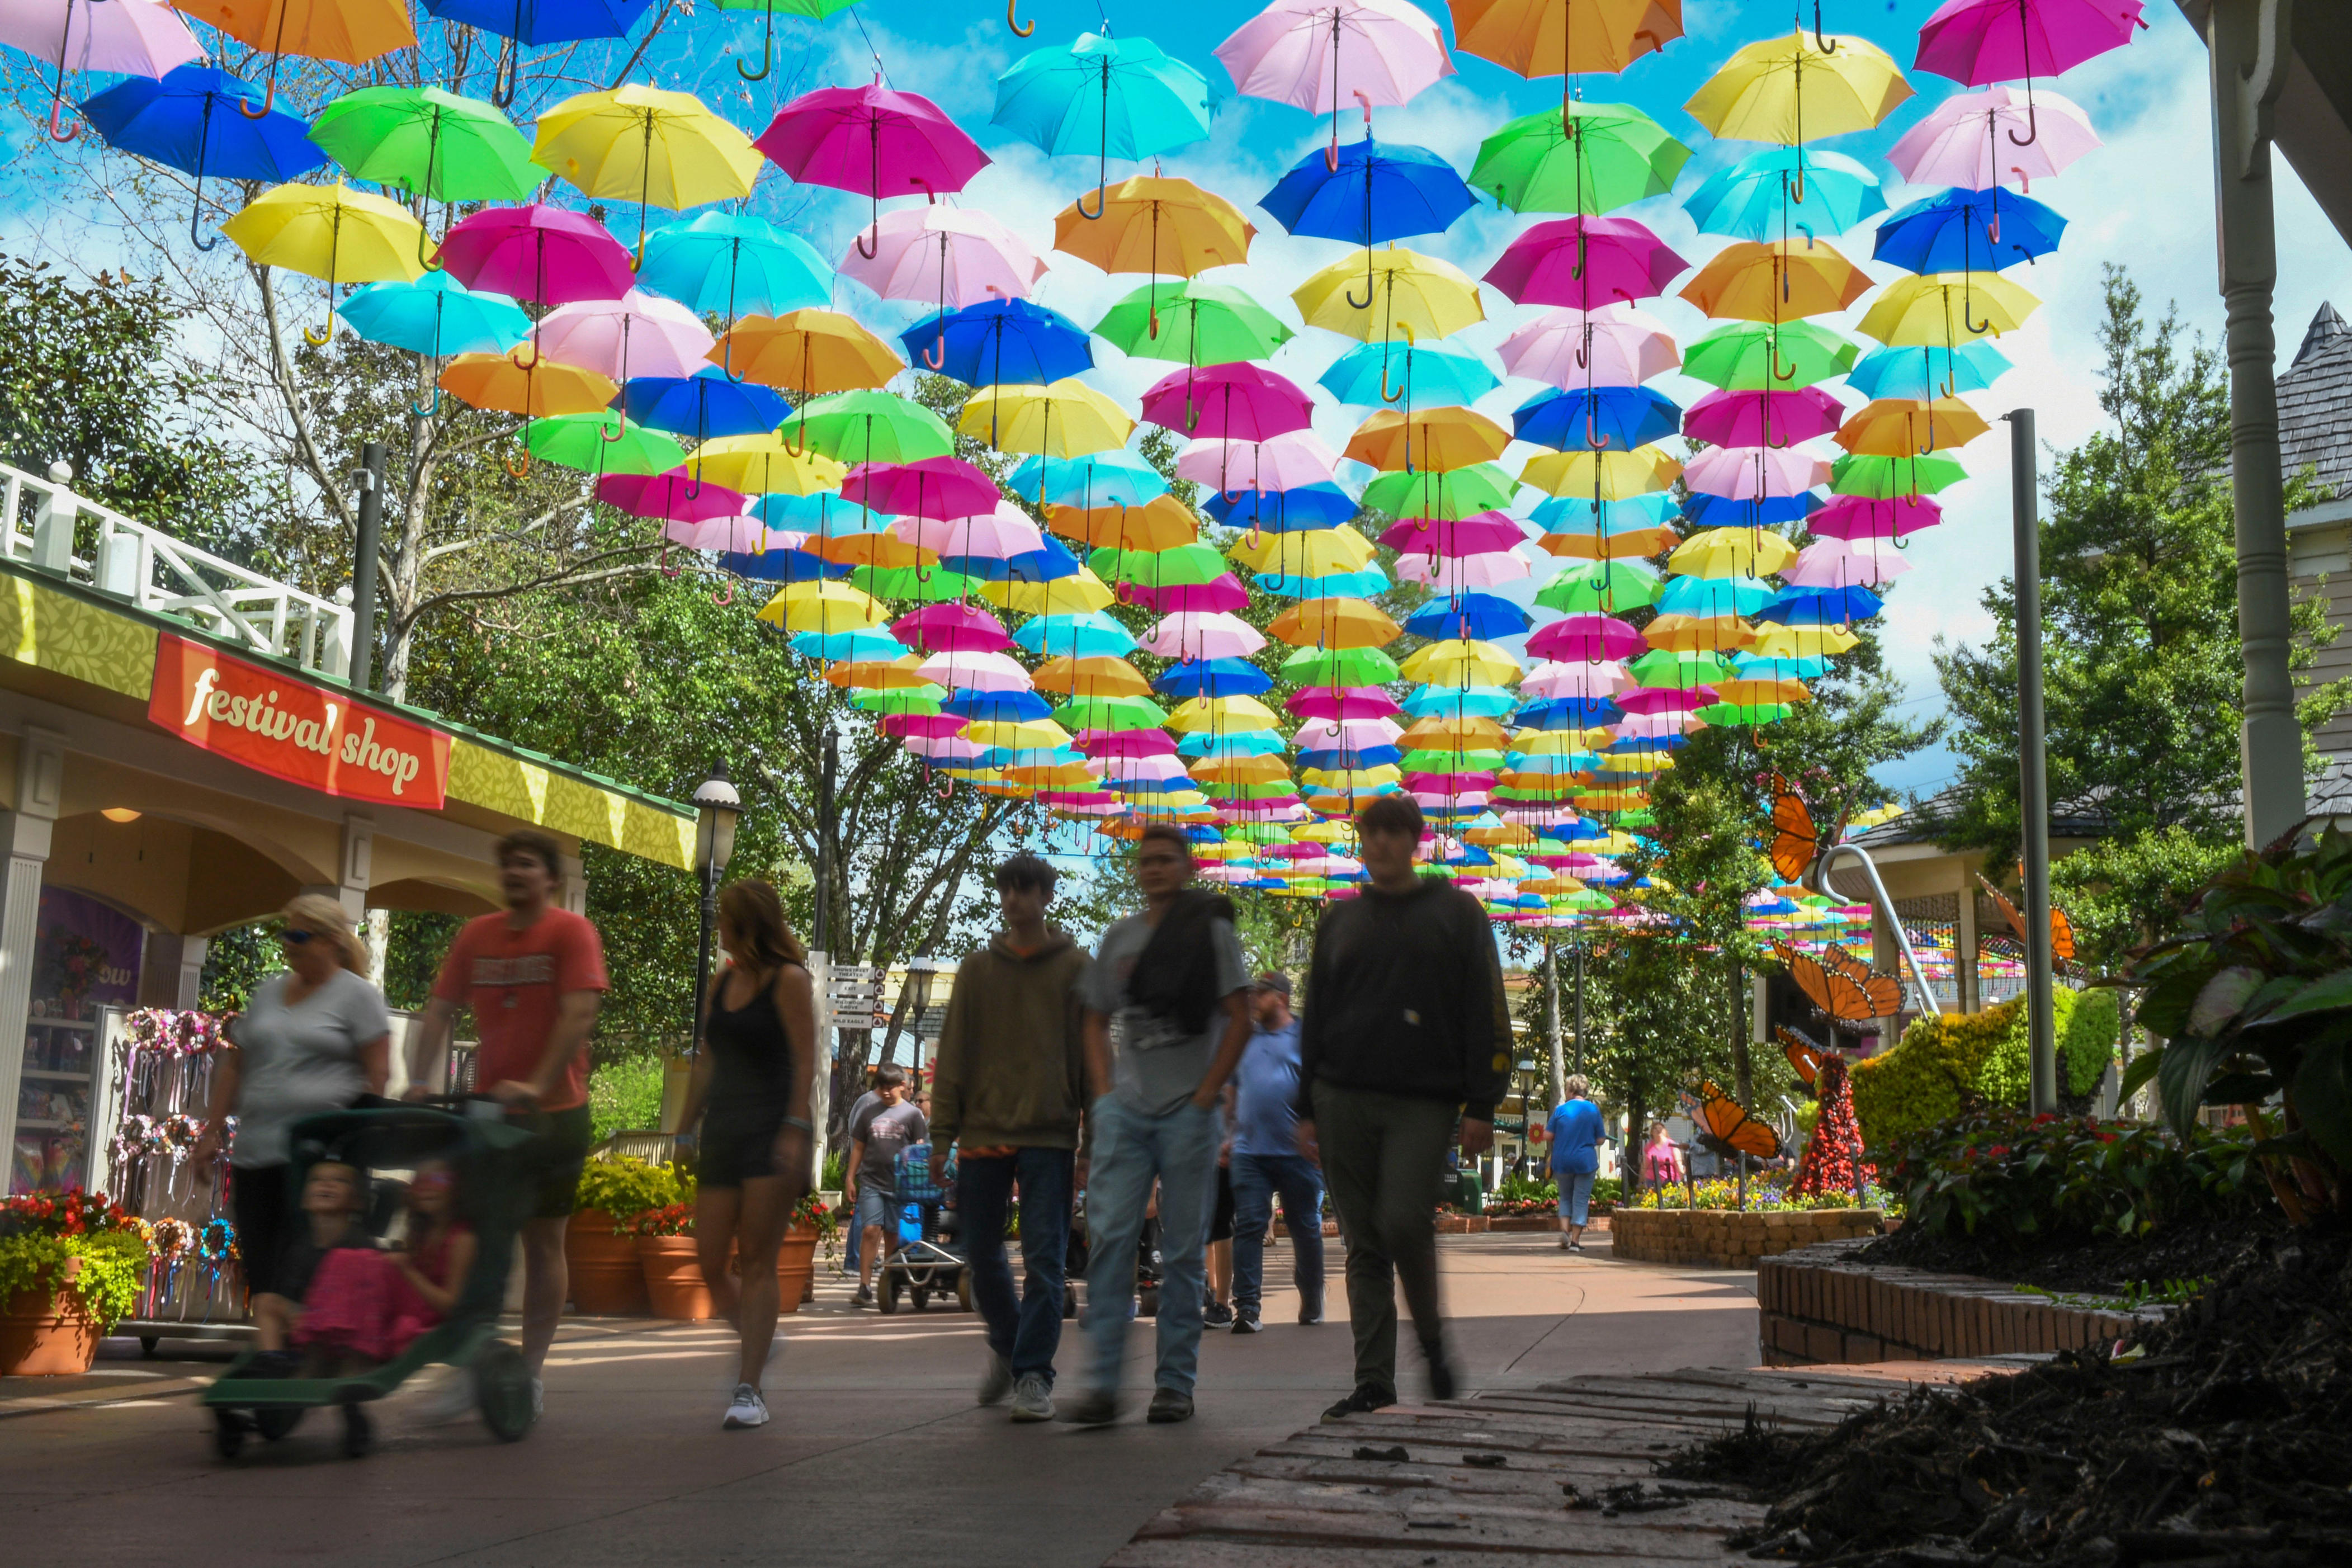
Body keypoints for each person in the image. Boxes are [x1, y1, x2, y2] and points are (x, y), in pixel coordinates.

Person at [1296, 794, 1510, 1423]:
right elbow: (1317, 1016)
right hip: (1341, 1095)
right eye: (1370, 832)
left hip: (1424, 1098)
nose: (1380, 843)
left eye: (1393, 833)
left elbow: (1485, 1008)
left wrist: (1483, 1102)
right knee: (1363, 1241)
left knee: (1402, 1220)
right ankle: (1374, 1380)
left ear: (1416, 840)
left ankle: (1434, 1343)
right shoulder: (1339, 921)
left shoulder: (1458, 912)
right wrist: (1304, 1104)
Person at [409, 829, 608, 1414]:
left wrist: (537, 1083)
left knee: (544, 1241)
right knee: (478, 1236)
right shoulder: (478, 934)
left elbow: (579, 1015)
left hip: (556, 1116)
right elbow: (439, 1008)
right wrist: (419, 1079)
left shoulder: (573, 932)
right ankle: (471, 1365)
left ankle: (530, 1371)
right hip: (490, 1116)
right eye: (508, 865)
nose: (516, 874)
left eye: (527, 864)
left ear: (549, 878)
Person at [1064, 823, 1252, 1428]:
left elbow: (1240, 1017)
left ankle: (1174, 1382)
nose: (1154, 868)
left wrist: (1206, 1093)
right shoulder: (1119, 935)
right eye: (1146, 860)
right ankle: (1101, 1383)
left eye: (1166, 859)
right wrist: (1104, 1095)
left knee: (1181, 1249)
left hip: (1187, 1114)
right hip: (1129, 1109)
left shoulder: (1211, 935)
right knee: (1112, 1238)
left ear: (1187, 866)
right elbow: (1093, 1019)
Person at [928, 852, 1089, 1423]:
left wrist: (1092, 1138)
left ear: (1046, 896)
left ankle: (1032, 1374)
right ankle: (1010, 1341)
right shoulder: (977, 969)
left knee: (1046, 1259)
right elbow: (952, 1055)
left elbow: (1091, 1055)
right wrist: (941, 1134)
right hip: (984, 1131)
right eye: (1007, 889)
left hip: (1049, 1132)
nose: (1013, 899)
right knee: (980, 1251)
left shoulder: (1075, 966)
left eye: (1025, 889)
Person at [195, 895, 391, 1305]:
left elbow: (378, 1074)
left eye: (300, 935)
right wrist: (211, 1132)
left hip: (318, 1158)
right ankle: (272, 1349)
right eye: (285, 933)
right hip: (256, 1152)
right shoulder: (268, 993)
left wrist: (358, 1146)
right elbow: (235, 1065)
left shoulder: (358, 997)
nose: (288, 942)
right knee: (262, 1264)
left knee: (307, 1266)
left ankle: (303, 1350)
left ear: (332, 941)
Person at [674, 880, 818, 1430]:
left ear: (747, 922)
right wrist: (685, 1130)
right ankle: (760, 1336)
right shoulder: (724, 979)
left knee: (758, 1257)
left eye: (724, 918)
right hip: (725, 1129)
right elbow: (709, 1061)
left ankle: (749, 1386)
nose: (718, 925)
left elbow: (804, 1060)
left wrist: (794, 1128)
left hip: (772, 1127)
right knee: (710, 1261)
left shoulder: (790, 979)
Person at [1226, 971, 1324, 1333]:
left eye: (1261, 993)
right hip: (1249, 1152)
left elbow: (1320, 1088)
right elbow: (1232, 1090)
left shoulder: (1305, 1038)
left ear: (1281, 998)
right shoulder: (1244, 1040)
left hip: (1298, 1153)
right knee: (1249, 1224)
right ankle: (1247, 1308)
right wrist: (1226, 1134)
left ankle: (1312, 1295)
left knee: (1305, 1228)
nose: (1254, 998)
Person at [844, 1065, 925, 1306]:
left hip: (900, 1185)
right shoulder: (868, 1113)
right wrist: (850, 1178)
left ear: (902, 1085)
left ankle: (888, 1281)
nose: (887, 1092)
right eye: (882, 1088)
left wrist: (917, 1175)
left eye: (891, 1087)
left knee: (892, 1233)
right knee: (870, 1230)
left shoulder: (913, 1115)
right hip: (871, 1181)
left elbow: (919, 1148)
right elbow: (858, 1147)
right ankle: (865, 1286)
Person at [1542, 1076, 1607, 1252]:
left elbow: (1547, 1135)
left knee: (1565, 1197)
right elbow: (1601, 1139)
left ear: (1570, 1091)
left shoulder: (1561, 1110)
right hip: (1585, 1160)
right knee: (1581, 1199)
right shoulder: (1593, 1110)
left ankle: (1565, 1231)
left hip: (1562, 1160)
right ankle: (1576, 1242)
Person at [1643, 1122, 1685, 1190]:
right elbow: (1644, 1166)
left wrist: (1682, 1179)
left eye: (1661, 1129)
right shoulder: (1649, 1146)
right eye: (1656, 1129)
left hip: (1670, 1181)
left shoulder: (1672, 1145)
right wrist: (1641, 1182)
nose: (1658, 1130)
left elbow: (1678, 1164)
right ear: (1652, 1132)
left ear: (1665, 1131)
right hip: (1651, 1181)